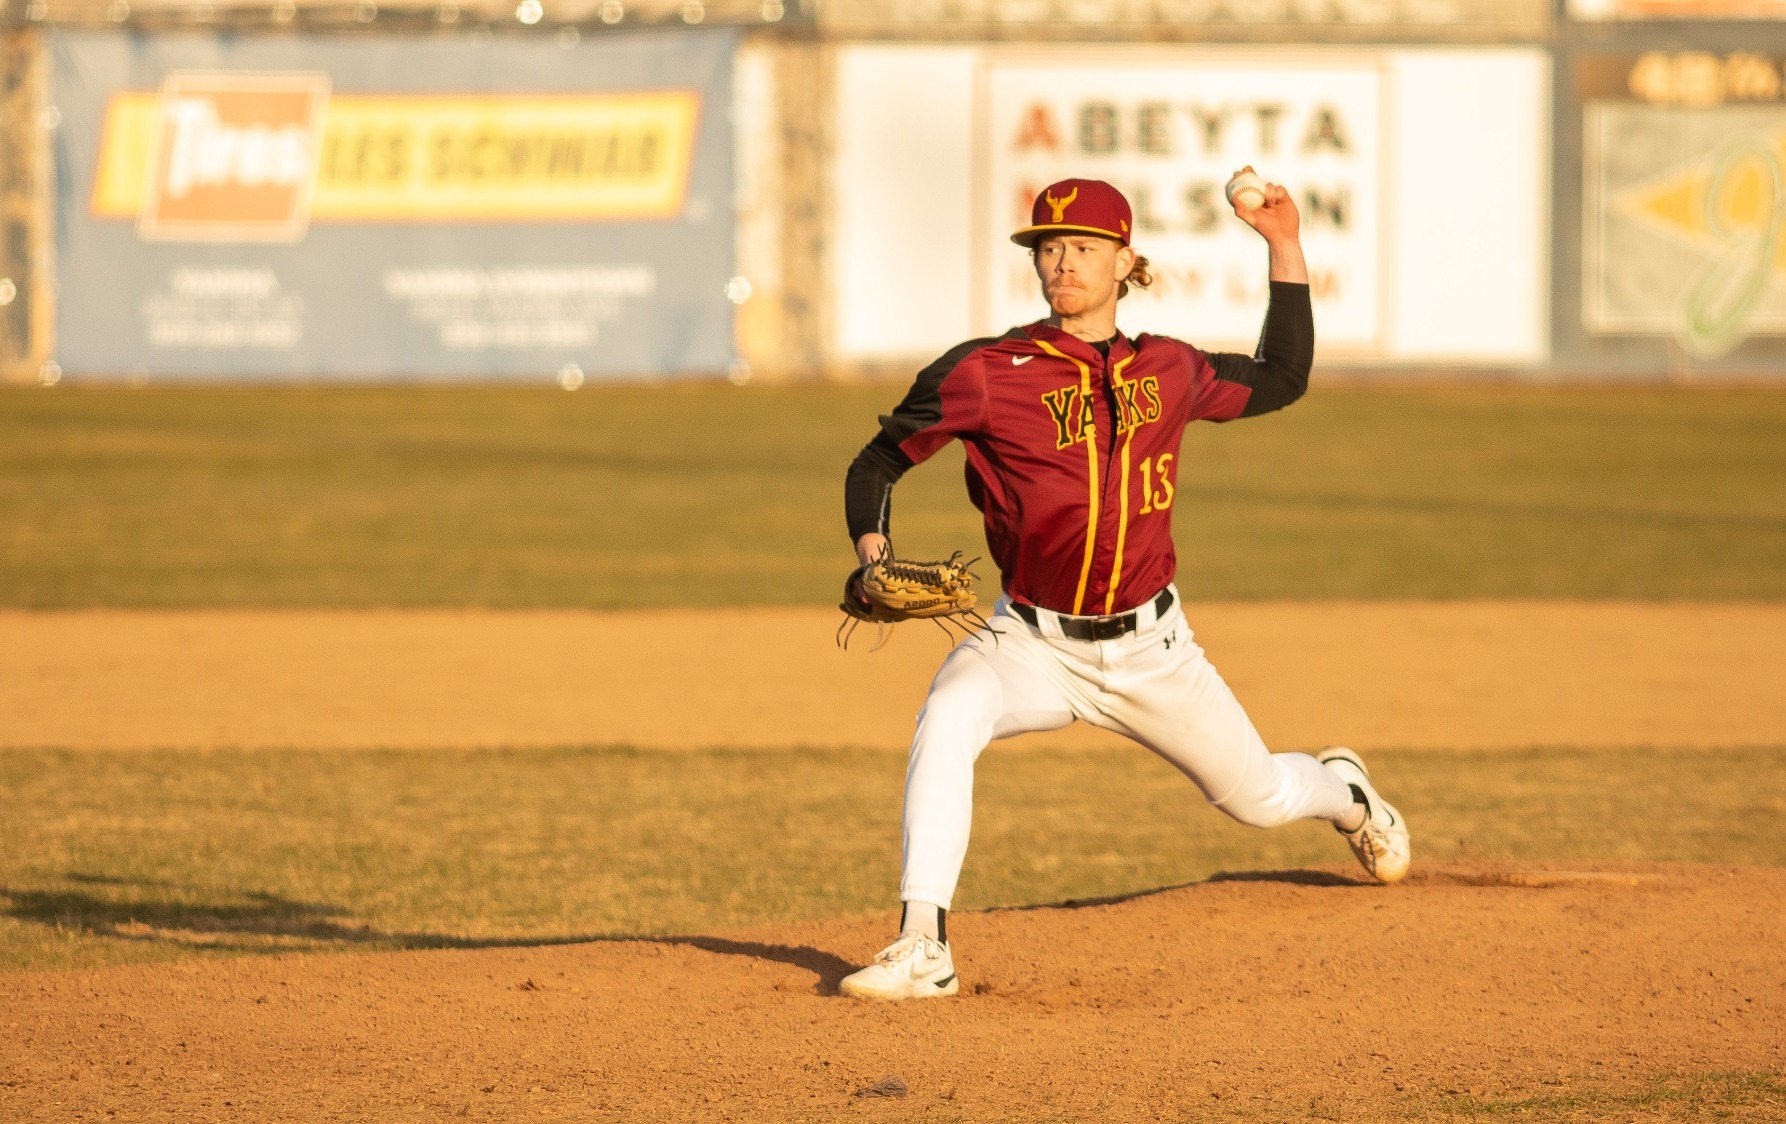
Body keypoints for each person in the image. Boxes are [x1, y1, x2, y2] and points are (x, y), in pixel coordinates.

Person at [834, 173, 1411, 1002]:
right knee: (951, 710)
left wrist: (1284, 244)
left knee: (1262, 796)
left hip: (1154, 649)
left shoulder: (1170, 369)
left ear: (1125, 261)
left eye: (1082, 247)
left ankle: (1349, 796)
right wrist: (872, 549)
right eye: (1048, 247)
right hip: (1031, 641)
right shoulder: (989, 372)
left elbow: (1283, 377)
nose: (1061, 261)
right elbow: (878, 459)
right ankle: (923, 942)